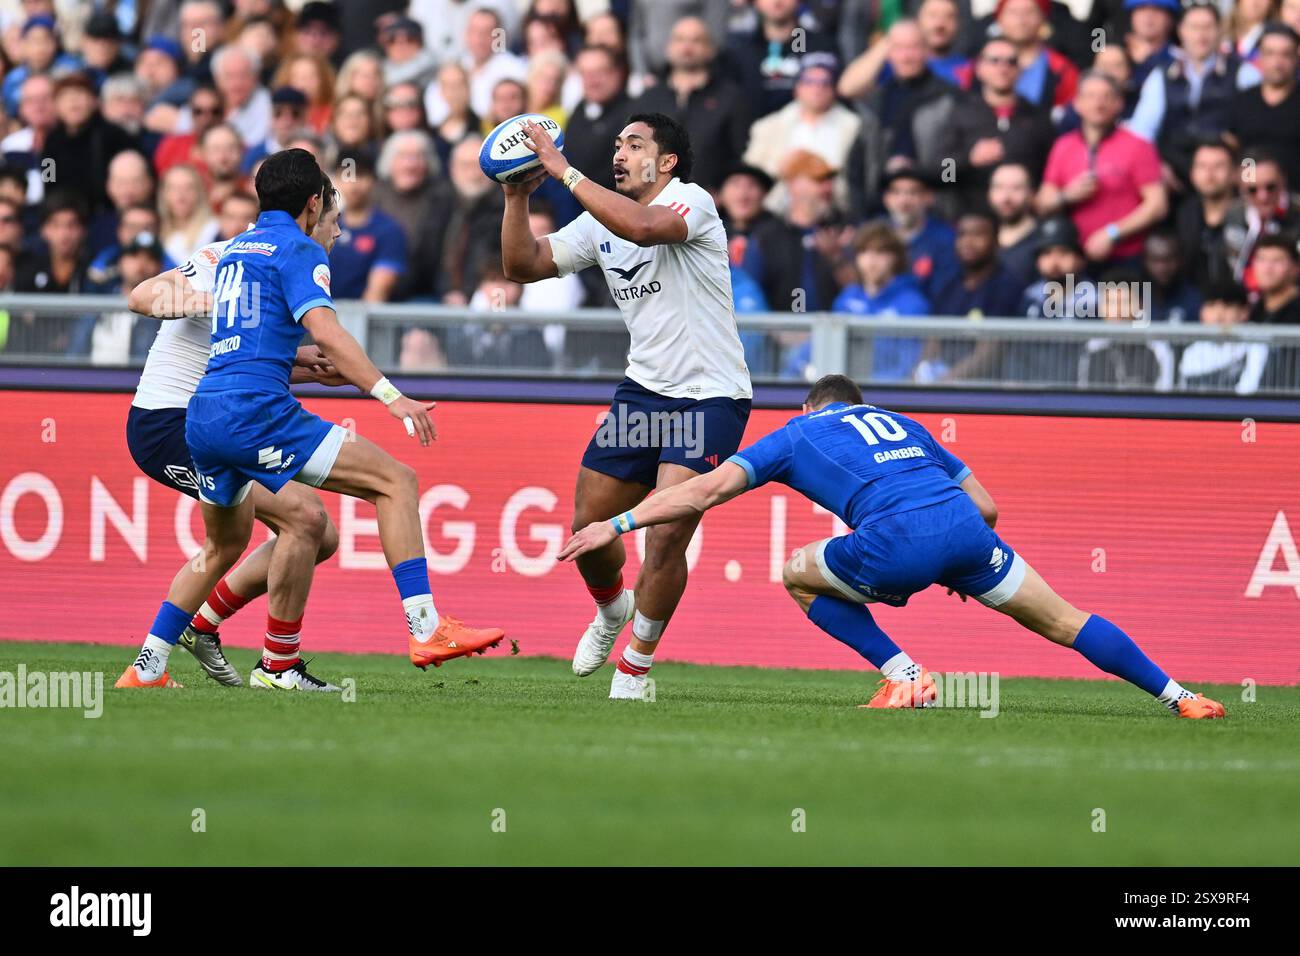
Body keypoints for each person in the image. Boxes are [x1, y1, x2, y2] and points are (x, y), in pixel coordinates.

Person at [559, 373, 1227, 720]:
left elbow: (701, 492)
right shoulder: (905, 422)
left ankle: (904, 676)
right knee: (1065, 620)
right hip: (967, 532)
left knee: (795, 574)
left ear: (812, 407)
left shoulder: (796, 435)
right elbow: (988, 507)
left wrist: (616, 526)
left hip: (898, 539)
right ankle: (1179, 696)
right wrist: (958, 562)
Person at [120, 148, 504, 690]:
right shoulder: (270, 254)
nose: (339, 233)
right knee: (389, 484)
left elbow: (243, 350)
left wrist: (294, 361)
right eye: (334, 220)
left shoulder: (239, 255)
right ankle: (417, 630)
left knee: (258, 538)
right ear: (313, 204)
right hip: (181, 420)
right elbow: (145, 295)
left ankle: (153, 664)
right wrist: (391, 396)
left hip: (206, 414)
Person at [500, 112, 752, 699]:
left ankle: (635, 668)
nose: (619, 152)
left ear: (665, 163)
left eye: (633, 144)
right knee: (587, 527)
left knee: (664, 537)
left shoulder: (694, 201)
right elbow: (522, 266)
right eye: (615, 144)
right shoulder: (597, 222)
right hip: (644, 392)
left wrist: (563, 171)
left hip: (710, 396)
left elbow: (643, 229)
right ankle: (612, 610)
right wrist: (515, 196)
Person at [1036, 71, 1167, 266]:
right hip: (1074, 261)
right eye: (1090, 96)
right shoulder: (1063, 146)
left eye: (1106, 97)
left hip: (1125, 258)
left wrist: (1112, 233)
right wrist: (1066, 196)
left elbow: (1157, 206)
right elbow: (1042, 204)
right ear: (1077, 104)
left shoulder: (1138, 146)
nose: (1098, 104)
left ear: (1119, 104)